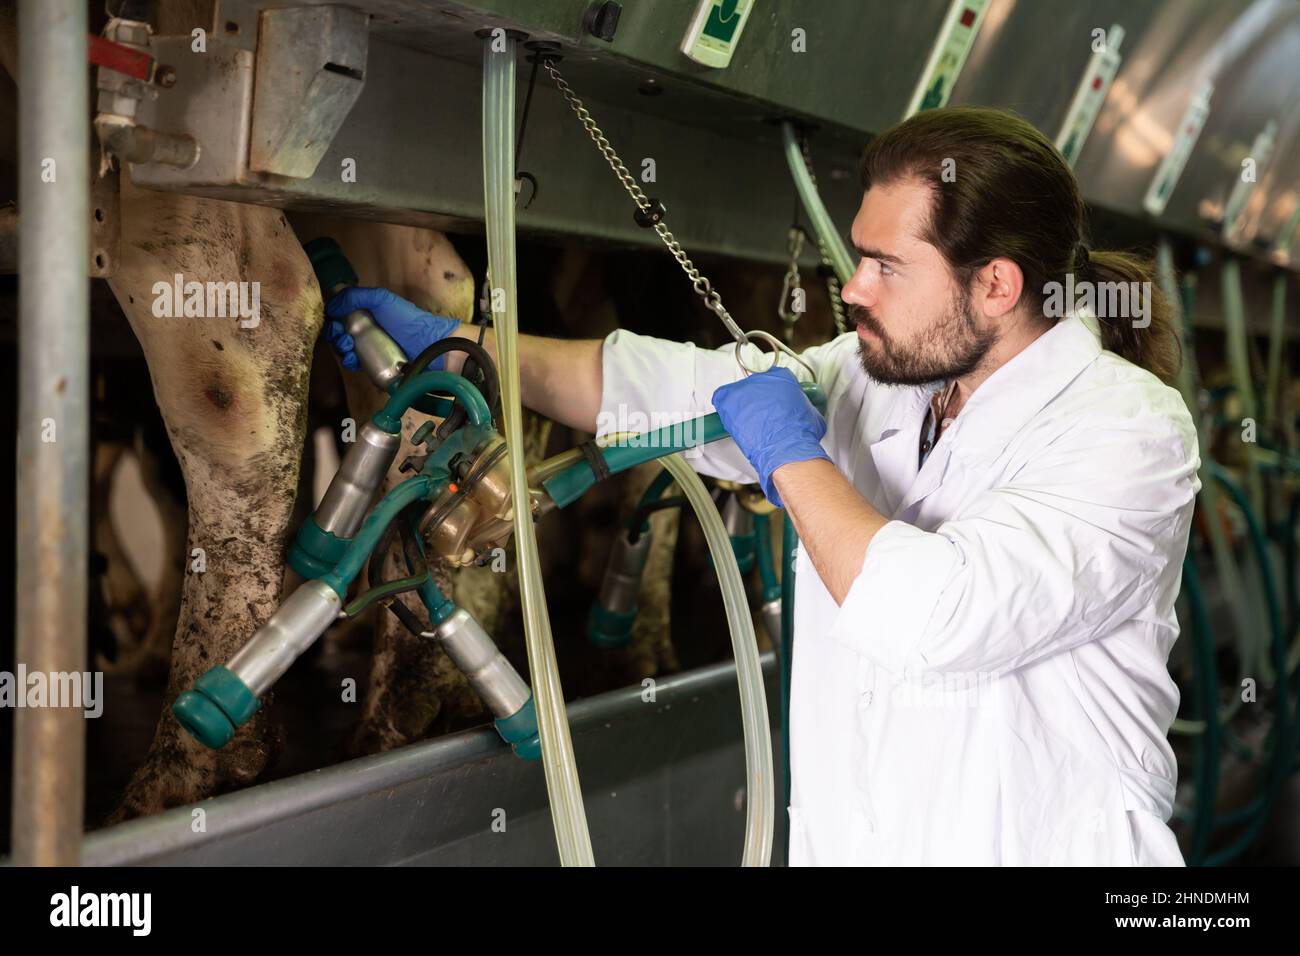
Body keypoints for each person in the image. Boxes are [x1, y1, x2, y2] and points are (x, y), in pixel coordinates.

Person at [325, 107, 1200, 866]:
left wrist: (788, 452)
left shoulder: (1128, 434)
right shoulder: (878, 379)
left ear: (998, 285)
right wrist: (466, 344)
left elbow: (936, 615)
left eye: (887, 266)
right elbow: (662, 392)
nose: (852, 289)